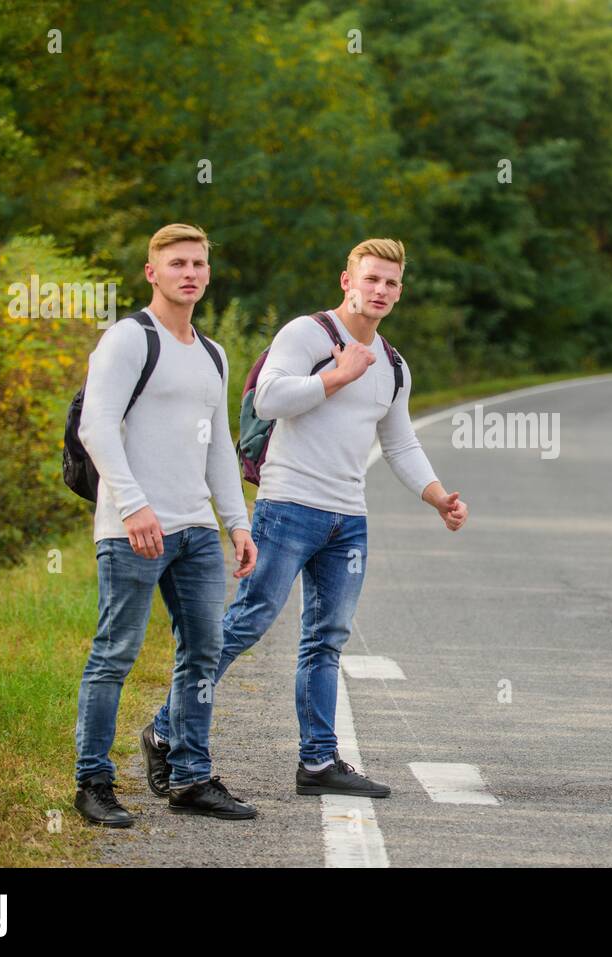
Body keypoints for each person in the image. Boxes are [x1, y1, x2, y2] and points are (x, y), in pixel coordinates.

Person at [143, 238, 468, 799]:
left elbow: (399, 443)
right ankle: (165, 729)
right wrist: (336, 377)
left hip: (349, 521)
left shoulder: (392, 364)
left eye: (391, 283)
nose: (381, 291)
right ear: (348, 281)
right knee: (247, 622)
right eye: (371, 279)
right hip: (287, 507)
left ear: (400, 290)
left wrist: (437, 496)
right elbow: (268, 399)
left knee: (327, 640)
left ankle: (318, 762)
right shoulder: (307, 335)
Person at [74, 223, 258, 827]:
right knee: (115, 655)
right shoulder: (129, 339)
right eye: (177, 263)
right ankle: (93, 784)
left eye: (199, 264)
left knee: (203, 653)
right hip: (132, 529)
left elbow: (216, 449)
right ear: (152, 272)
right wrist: (132, 506)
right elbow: (95, 427)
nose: (190, 273)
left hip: (196, 531)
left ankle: (189, 776)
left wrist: (236, 523)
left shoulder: (212, 354)